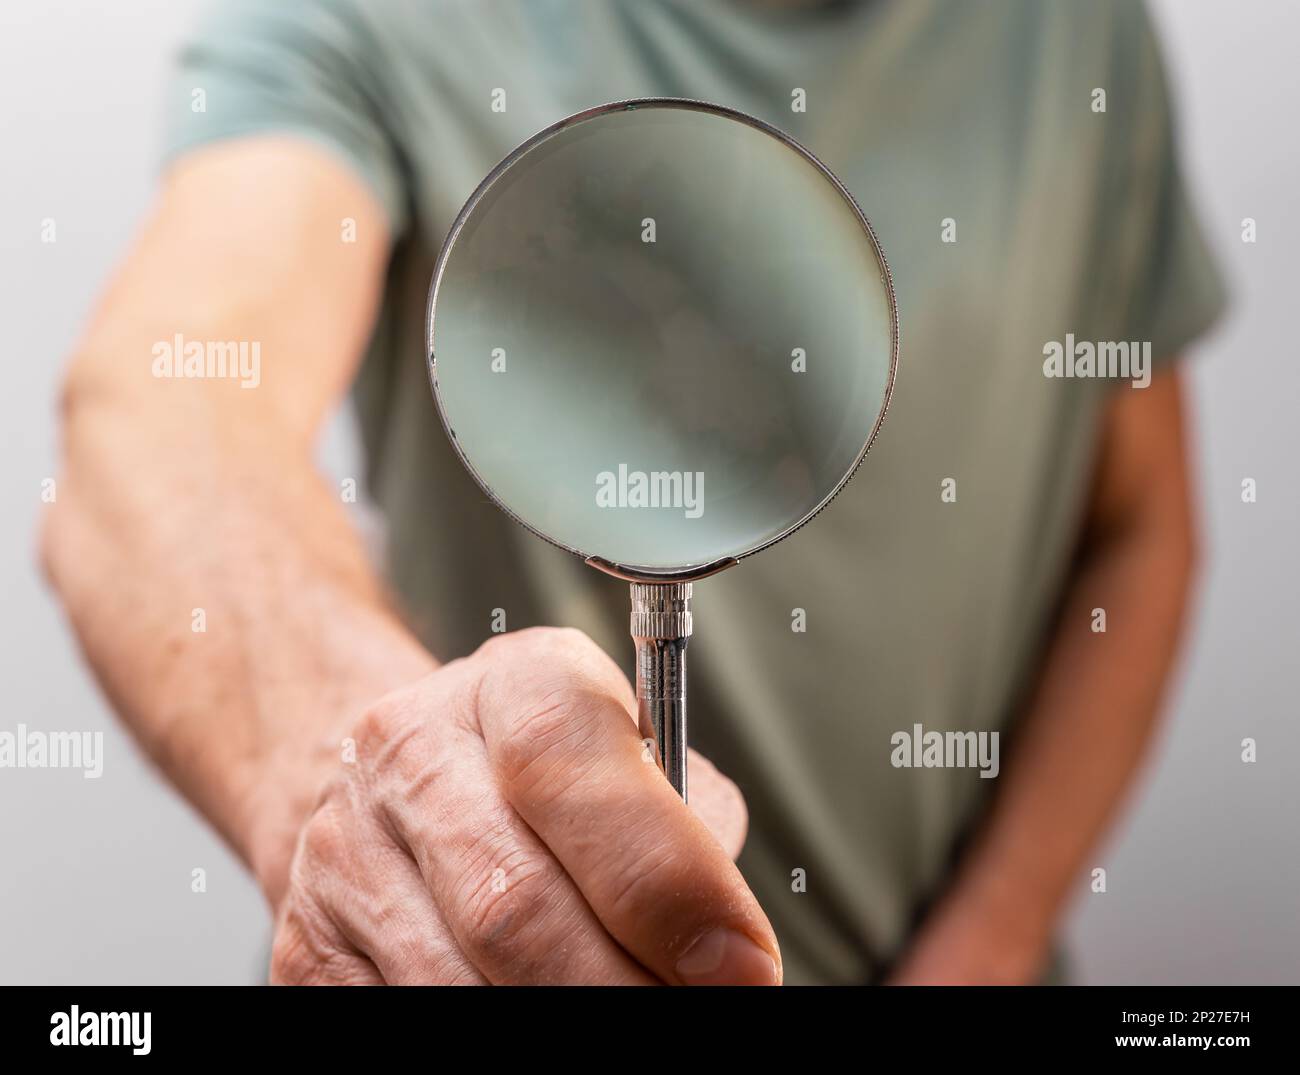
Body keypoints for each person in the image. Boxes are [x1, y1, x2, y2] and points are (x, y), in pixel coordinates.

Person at [42, 0, 1226, 985]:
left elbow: (1135, 530)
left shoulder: (1082, 34)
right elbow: (156, 420)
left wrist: (990, 942)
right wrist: (388, 807)